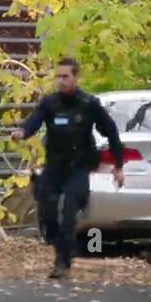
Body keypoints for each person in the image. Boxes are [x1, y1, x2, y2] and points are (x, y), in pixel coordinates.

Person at [12, 57, 125, 278]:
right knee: (49, 213)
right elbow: (35, 121)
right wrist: (23, 132)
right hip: (55, 167)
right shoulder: (50, 103)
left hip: (79, 167)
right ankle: (60, 243)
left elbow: (111, 132)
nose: (61, 81)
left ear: (76, 77)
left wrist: (118, 165)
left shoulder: (88, 104)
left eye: (66, 76)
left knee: (69, 210)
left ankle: (62, 261)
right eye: (59, 77)